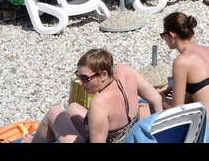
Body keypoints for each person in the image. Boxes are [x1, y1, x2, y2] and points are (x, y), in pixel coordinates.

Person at [34, 48, 163, 143]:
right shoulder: (126, 71)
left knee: (54, 112)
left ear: (103, 75)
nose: (80, 82)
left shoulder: (99, 104)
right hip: (127, 134)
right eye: (78, 76)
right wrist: (150, 134)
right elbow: (156, 99)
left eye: (85, 78)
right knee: (73, 108)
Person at [160, 12, 209, 141]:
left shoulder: (181, 61)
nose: (164, 39)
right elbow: (205, 89)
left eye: (163, 35)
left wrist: (160, 98)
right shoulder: (207, 50)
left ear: (172, 36)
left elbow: (177, 111)